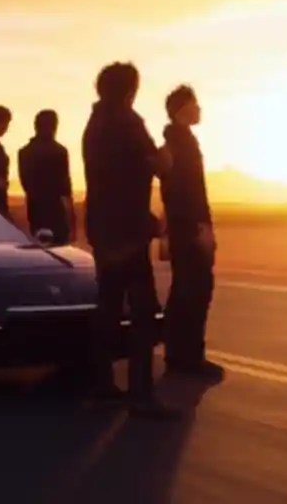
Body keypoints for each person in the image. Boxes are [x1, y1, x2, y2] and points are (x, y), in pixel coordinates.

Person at [82, 62, 178, 419]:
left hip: (104, 230)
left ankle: (102, 385)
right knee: (144, 312)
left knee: (107, 309)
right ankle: (141, 393)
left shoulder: (94, 125)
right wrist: (168, 153)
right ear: (129, 90)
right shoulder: (128, 122)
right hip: (129, 231)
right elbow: (158, 164)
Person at [160, 85, 226, 382]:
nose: (199, 108)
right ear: (182, 109)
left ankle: (180, 356)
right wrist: (199, 226)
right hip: (189, 227)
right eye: (195, 103)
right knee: (195, 290)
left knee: (186, 290)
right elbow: (185, 191)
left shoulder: (180, 141)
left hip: (185, 225)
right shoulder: (180, 144)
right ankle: (188, 358)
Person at [18, 109, 75, 245]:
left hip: (35, 210)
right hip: (56, 211)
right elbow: (65, 187)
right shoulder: (59, 151)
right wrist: (72, 216)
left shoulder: (25, 152)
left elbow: (25, 183)